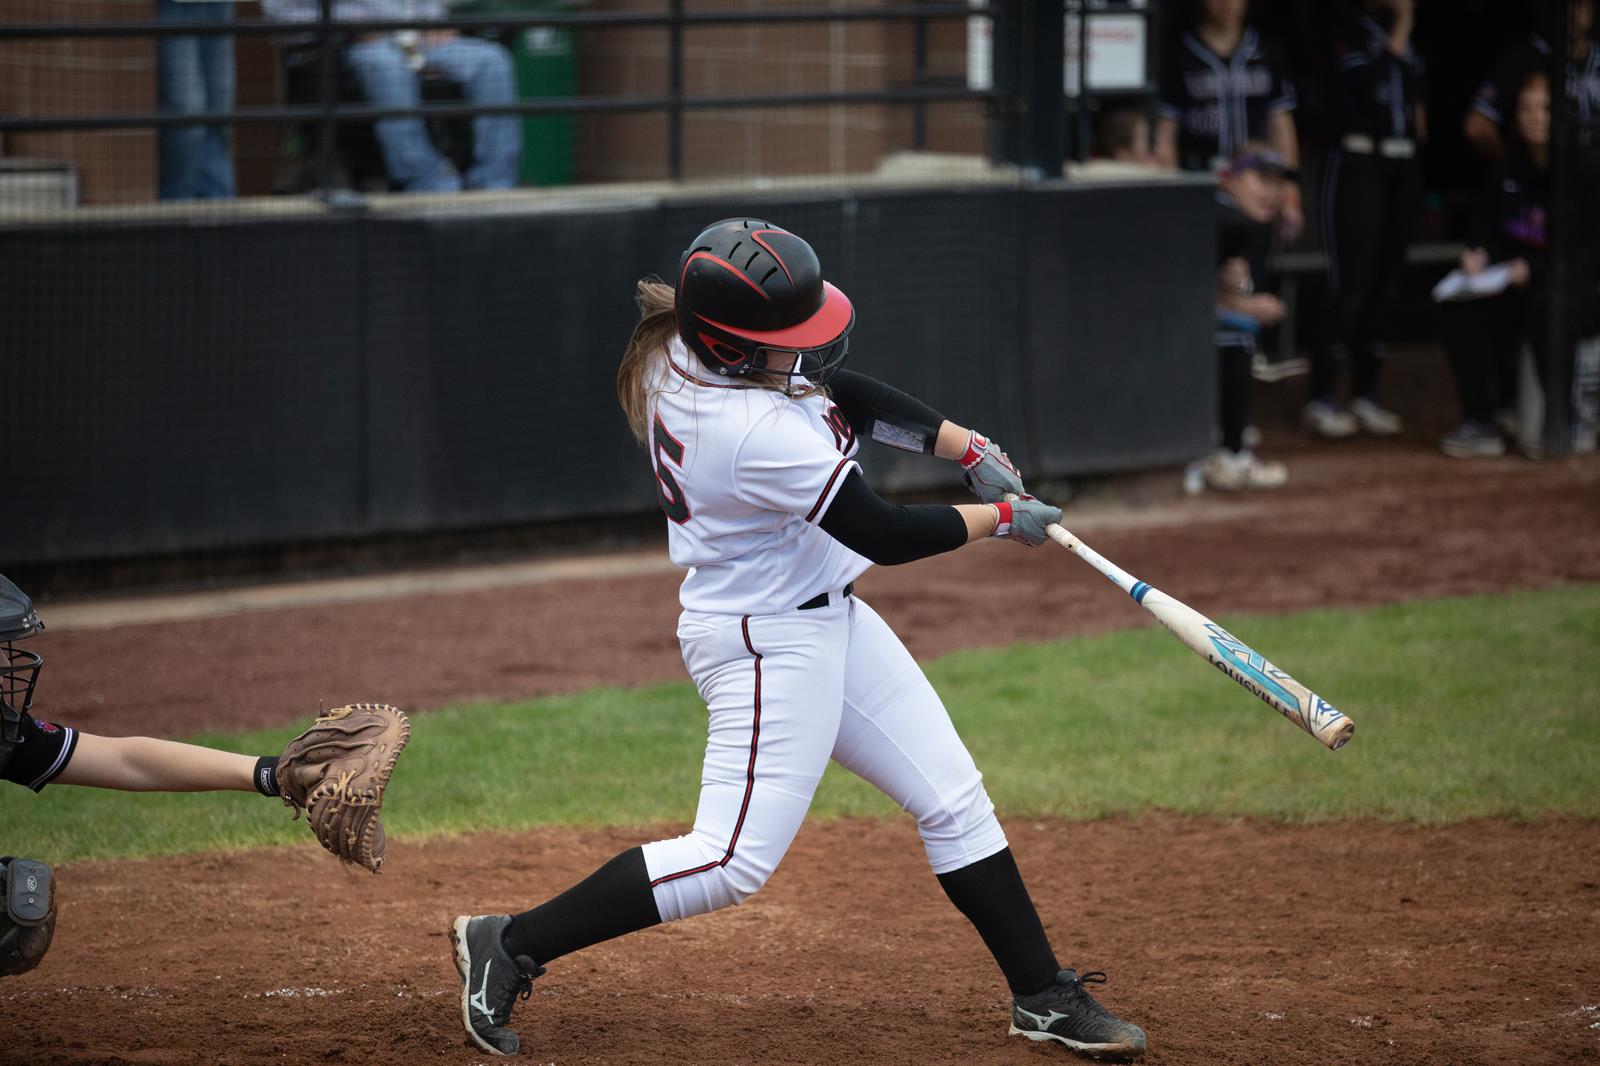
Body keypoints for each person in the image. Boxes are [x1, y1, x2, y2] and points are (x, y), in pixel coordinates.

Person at [447, 219, 1149, 1061]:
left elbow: (839, 390)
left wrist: (962, 445)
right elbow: (882, 531)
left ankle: (1042, 996)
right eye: (785, 339)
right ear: (734, 347)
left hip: (824, 617)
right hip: (766, 642)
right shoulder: (751, 431)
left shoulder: (681, 348)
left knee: (952, 797)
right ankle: (509, 942)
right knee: (729, 861)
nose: (805, 351)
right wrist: (999, 518)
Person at [0, 574, 409, 975]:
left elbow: (126, 760)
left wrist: (274, 774)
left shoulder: (6, 733)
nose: (6, 662)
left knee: (17, 895)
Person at [1303, 0, 1424, 440]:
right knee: (1350, 282)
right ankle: (1321, 396)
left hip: (1401, 162)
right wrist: (1403, 25)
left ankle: (1366, 393)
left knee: (1385, 283)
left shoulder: (1405, 36)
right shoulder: (1344, 26)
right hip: (1356, 162)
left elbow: (1415, 94)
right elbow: (1366, 82)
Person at [261, 0, 521, 192]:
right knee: (387, 66)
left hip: (419, 40)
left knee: (491, 60)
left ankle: (495, 181)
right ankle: (426, 180)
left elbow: (429, 9)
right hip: (353, 45)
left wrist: (437, 23)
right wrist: (349, 25)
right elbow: (281, 15)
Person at [1155, 0, 1305, 238]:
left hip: (1260, 182)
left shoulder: (1267, 51)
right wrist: (1172, 192)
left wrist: (1289, 188)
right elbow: (1165, 132)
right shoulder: (1178, 55)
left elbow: (1281, 123)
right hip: (1201, 180)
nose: (1228, 3)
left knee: (1254, 254)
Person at [1207, 146, 1292, 490]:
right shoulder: (1222, 216)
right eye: (1260, 179)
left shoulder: (1248, 224)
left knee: (1238, 325)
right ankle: (1229, 453)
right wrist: (1244, 307)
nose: (1270, 191)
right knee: (1237, 331)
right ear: (1229, 177)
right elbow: (1176, 295)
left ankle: (1222, 439)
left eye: (1277, 182)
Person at [1463, 0, 1598, 159]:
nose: (1571, 12)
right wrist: (1512, 167)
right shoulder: (1526, 58)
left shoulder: (1596, 56)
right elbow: (1477, 125)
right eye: (1564, 4)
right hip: (1544, 168)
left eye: (1578, 4)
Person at [156, 0, 237, 200]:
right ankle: (178, 208)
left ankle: (220, 208)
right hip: (174, 6)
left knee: (219, 116)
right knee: (187, 115)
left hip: (220, 6)